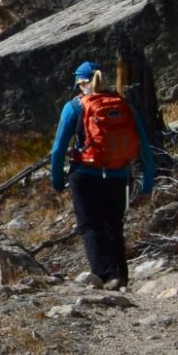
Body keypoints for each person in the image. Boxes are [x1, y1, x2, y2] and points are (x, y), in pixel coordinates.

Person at [50, 60, 155, 289]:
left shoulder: (75, 107)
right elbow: (145, 146)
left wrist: (57, 180)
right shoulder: (124, 105)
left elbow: (58, 149)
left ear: (80, 83)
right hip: (118, 174)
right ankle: (121, 276)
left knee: (90, 226)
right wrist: (148, 181)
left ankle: (106, 276)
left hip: (84, 174)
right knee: (114, 225)